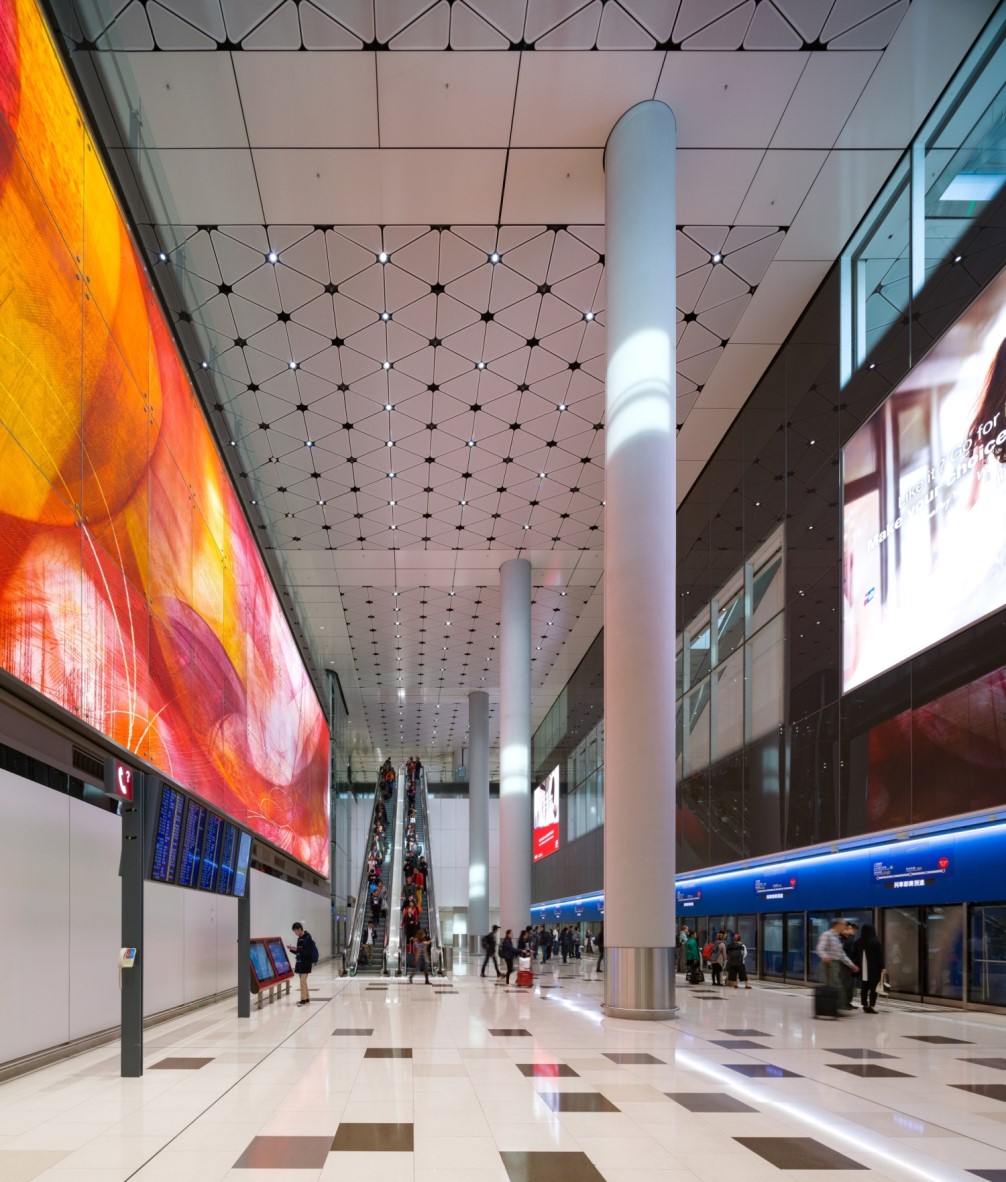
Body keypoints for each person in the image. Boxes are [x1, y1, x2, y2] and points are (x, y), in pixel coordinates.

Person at [815, 918, 859, 1005]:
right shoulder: (827, 935)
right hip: (829, 963)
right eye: (843, 925)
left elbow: (841, 954)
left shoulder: (837, 937)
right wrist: (825, 956)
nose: (844, 927)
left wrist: (851, 965)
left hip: (836, 963)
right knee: (835, 985)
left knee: (832, 986)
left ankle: (831, 1006)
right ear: (838, 925)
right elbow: (820, 948)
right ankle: (839, 1006)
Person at [851, 923, 884, 1013]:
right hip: (874, 969)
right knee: (873, 988)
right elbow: (879, 957)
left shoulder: (858, 941)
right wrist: (883, 967)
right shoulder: (875, 942)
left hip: (863, 969)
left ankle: (864, 1004)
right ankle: (871, 1005)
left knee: (864, 987)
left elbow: (853, 955)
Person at [288, 922, 317, 1005]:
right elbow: (299, 951)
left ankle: (303, 999)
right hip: (300, 962)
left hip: (306, 962)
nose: (295, 933)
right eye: (294, 931)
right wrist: (292, 949)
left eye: (296, 931)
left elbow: (308, 952)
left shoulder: (308, 938)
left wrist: (297, 949)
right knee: (303, 981)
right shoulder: (299, 938)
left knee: (302, 981)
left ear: (300, 929)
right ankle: (307, 998)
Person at [842, 922, 860, 1007]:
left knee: (851, 985)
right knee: (845, 984)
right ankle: (843, 1002)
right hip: (844, 966)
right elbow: (845, 951)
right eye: (849, 929)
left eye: (852, 930)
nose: (852, 931)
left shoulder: (851, 939)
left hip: (851, 965)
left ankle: (848, 1002)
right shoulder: (840, 938)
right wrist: (851, 936)